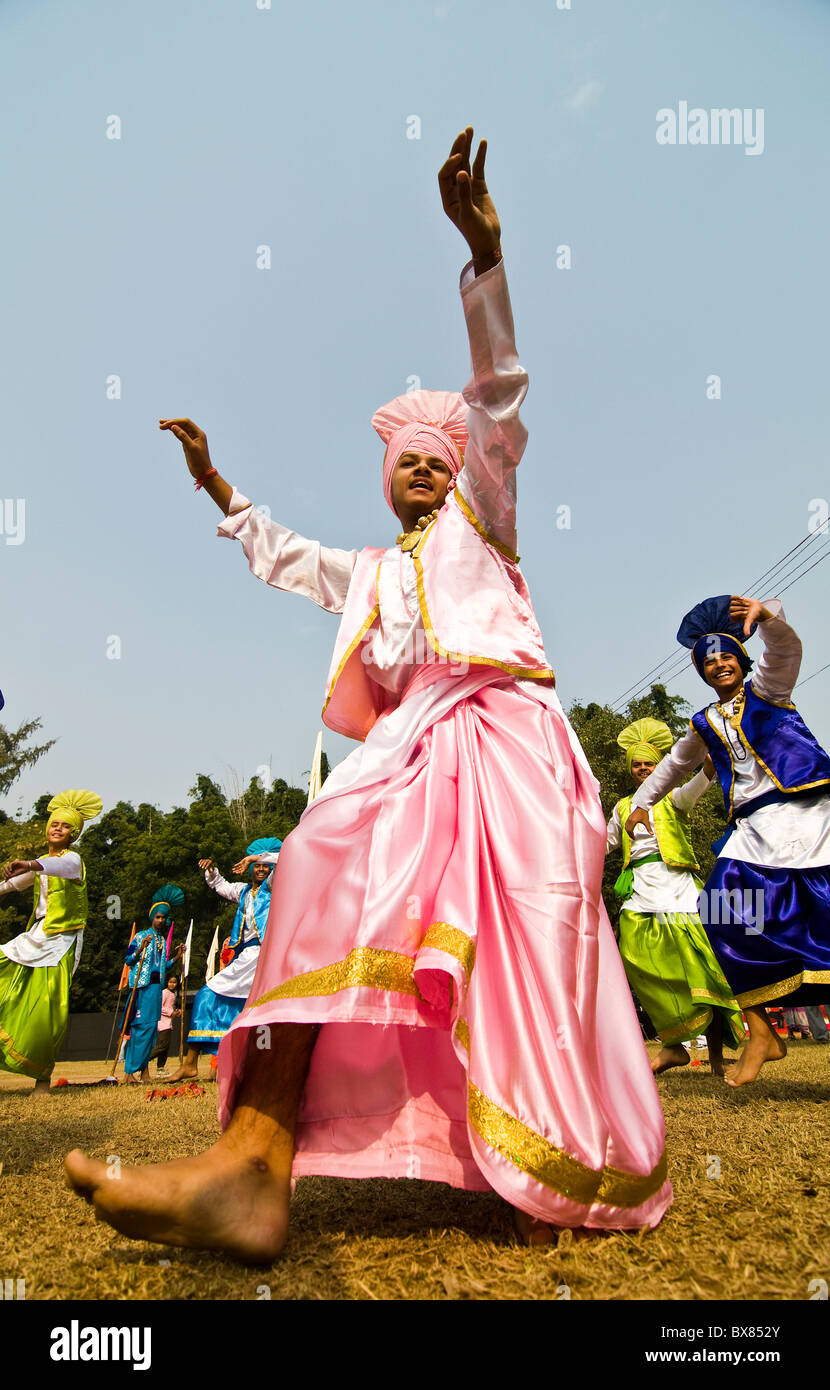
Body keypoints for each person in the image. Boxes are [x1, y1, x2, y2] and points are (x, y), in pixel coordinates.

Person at [66, 127, 671, 1258]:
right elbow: (288, 557)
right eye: (407, 460)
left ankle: (529, 1154)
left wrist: (484, 263)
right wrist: (220, 485)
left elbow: (497, 394)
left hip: (508, 739)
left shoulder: (485, 520)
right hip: (409, 748)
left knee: (522, 946)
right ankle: (251, 1164)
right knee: (314, 854)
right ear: (383, 482)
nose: (428, 465)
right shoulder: (373, 570)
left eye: (444, 454)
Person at [626, 594, 830, 1088]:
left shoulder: (769, 690)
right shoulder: (702, 722)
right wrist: (640, 802)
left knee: (820, 916)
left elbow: (784, 652)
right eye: (708, 661)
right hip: (753, 830)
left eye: (725, 656)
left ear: (741, 659)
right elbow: (675, 765)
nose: (718, 665)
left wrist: (770, 619)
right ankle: (760, 1031)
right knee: (720, 913)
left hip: (807, 815)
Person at [606, 719, 745, 1077]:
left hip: (678, 886)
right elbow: (600, 843)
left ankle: (713, 1059)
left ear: (658, 767)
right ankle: (673, 1045)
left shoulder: (671, 799)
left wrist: (708, 770)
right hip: (640, 891)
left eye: (648, 764)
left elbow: (695, 787)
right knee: (634, 956)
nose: (642, 769)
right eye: (636, 765)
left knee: (699, 967)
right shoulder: (622, 809)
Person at [0, 789, 103, 1091]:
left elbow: (58, 867)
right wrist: (24, 869)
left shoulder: (72, 860)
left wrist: (30, 864)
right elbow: (11, 885)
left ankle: (41, 1081)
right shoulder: (42, 862)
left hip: (62, 941)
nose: (58, 828)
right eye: (54, 824)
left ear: (74, 834)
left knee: (47, 1011)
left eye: (66, 826)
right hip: (36, 936)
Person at [166, 840, 281, 1082]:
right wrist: (211, 870)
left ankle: (260, 1067)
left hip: (265, 955)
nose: (261, 869)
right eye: (256, 866)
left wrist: (254, 857)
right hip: (247, 956)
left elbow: (286, 859)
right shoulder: (242, 891)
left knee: (251, 1007)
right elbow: (220, 885)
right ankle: (191, 1063)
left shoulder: (273, 887)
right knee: (211, 997)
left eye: (264, 865)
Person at [122, 886, 184, 1084]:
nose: (161, 921)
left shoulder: (162, 940)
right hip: (142, 988)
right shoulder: (140, 936)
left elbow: (162, 966)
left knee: (150, 1031)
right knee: (138, 1028)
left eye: (164, 918)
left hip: (156, 990)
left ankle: (144, 1072)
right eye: (158, 917)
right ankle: (129, 1072)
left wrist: (176, 957)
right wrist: (140, 948)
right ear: (152, 917)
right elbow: (128, 960)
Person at [151, 974, 181, 1077]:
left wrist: (177, 1012)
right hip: (162, 1023)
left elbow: (171, 1007)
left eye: (174, 982)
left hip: (169, 1023)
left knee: (166, 1048)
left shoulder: (174, 994)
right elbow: (159, 1006)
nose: (172, 984)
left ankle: (160, 1068)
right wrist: (170, 1013)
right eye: (170, 982)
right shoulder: (164, 993)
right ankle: (144, 1060)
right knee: (162, 1046)